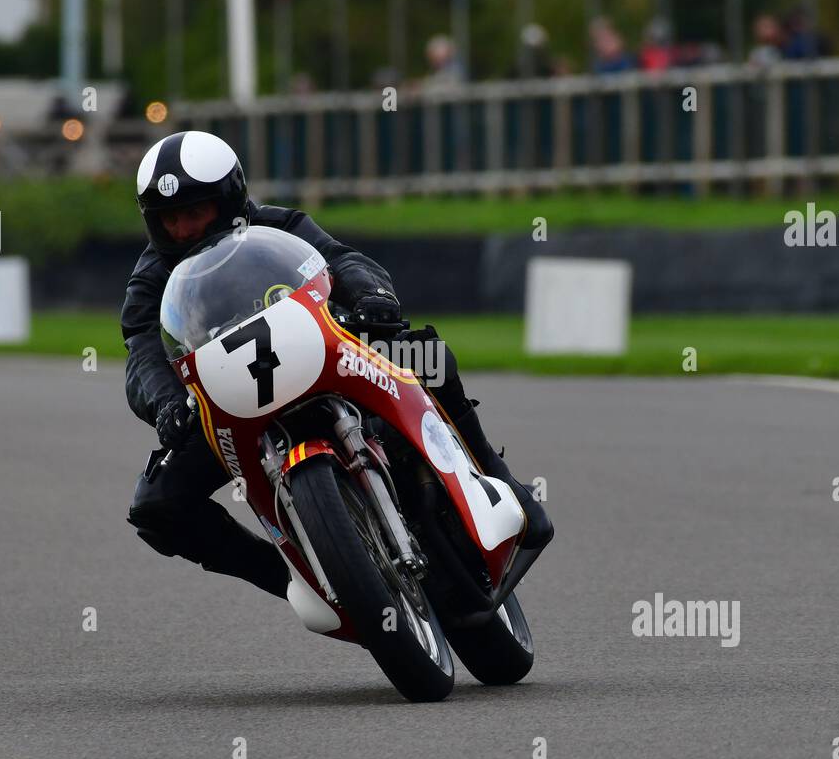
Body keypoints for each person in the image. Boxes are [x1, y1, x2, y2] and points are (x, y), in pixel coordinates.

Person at [123, 131, 553, 597]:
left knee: (427, 356)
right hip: (230, 406)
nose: (182, 229)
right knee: (155, 507)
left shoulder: (275, 227)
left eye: (194, 212)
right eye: (170, 219)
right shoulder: (150, 280)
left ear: (228, 200)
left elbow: (341, 259)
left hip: (325, 360)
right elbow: (142, 350)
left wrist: (373, 295)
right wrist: (166, 402)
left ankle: (500, 482)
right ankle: (290, 577)